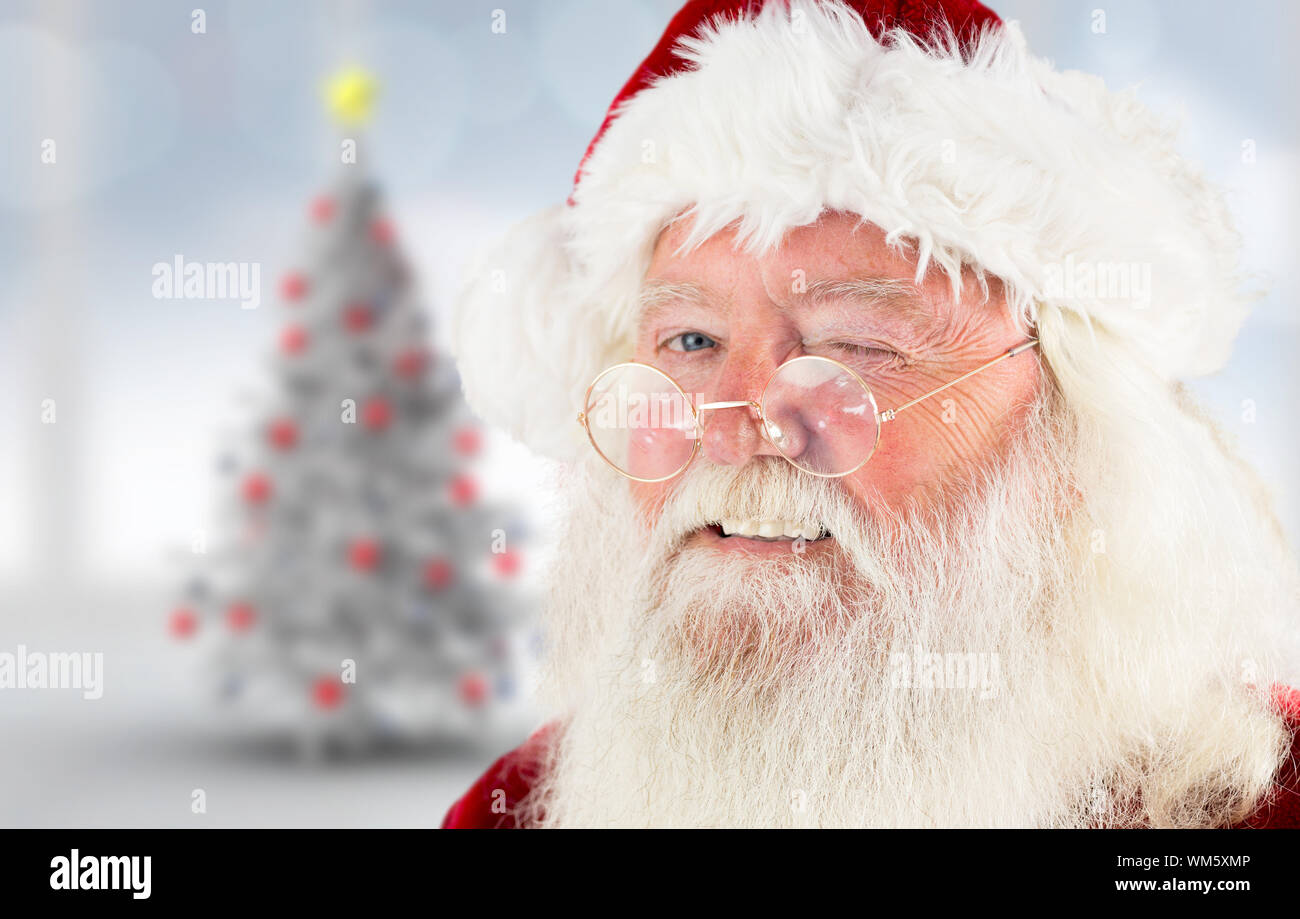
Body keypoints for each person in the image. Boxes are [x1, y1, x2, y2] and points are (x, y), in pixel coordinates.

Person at [443, 0, 1300, 828]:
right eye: (693, 340)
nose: (735, 430)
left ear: (1076, 433)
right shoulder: (514, 812)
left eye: (855, 349)